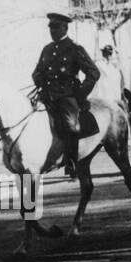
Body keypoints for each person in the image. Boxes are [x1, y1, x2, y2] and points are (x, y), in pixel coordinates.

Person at [31, 12, 101, 179]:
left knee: (71, 125)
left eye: (55, 28)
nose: (52, 31)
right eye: (50, 28)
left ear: (64, 28)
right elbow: (37, 72)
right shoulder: (47, 50)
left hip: (67, 96)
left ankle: (71, 162)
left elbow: (93, 73)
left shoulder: (74, 49)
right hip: (47, 95)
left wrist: (79, 93)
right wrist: (40, 80)